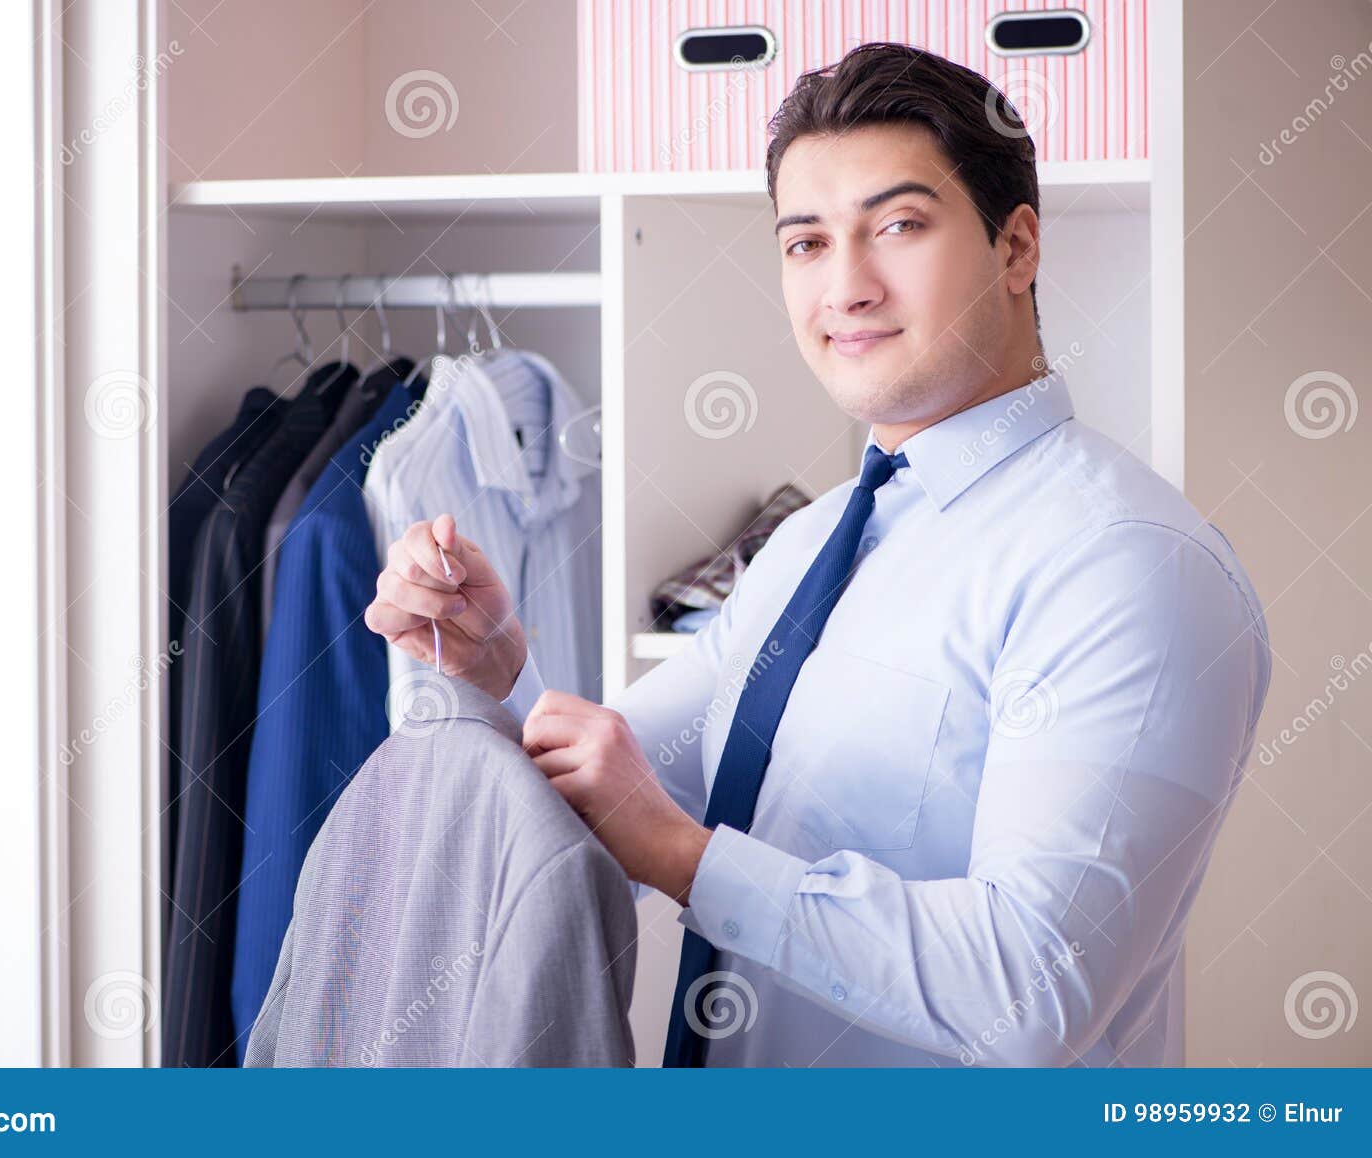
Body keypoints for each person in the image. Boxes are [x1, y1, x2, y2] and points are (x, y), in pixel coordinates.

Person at [363, 43, 1269, 1067]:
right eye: (805, 243)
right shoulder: (806, 546)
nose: (845, 288)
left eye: (897, 227)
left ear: (1016, 249)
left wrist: (685, 858)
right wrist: (493, 679)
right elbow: (602, 804)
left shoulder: (1125, 566)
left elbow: (1033, 990)